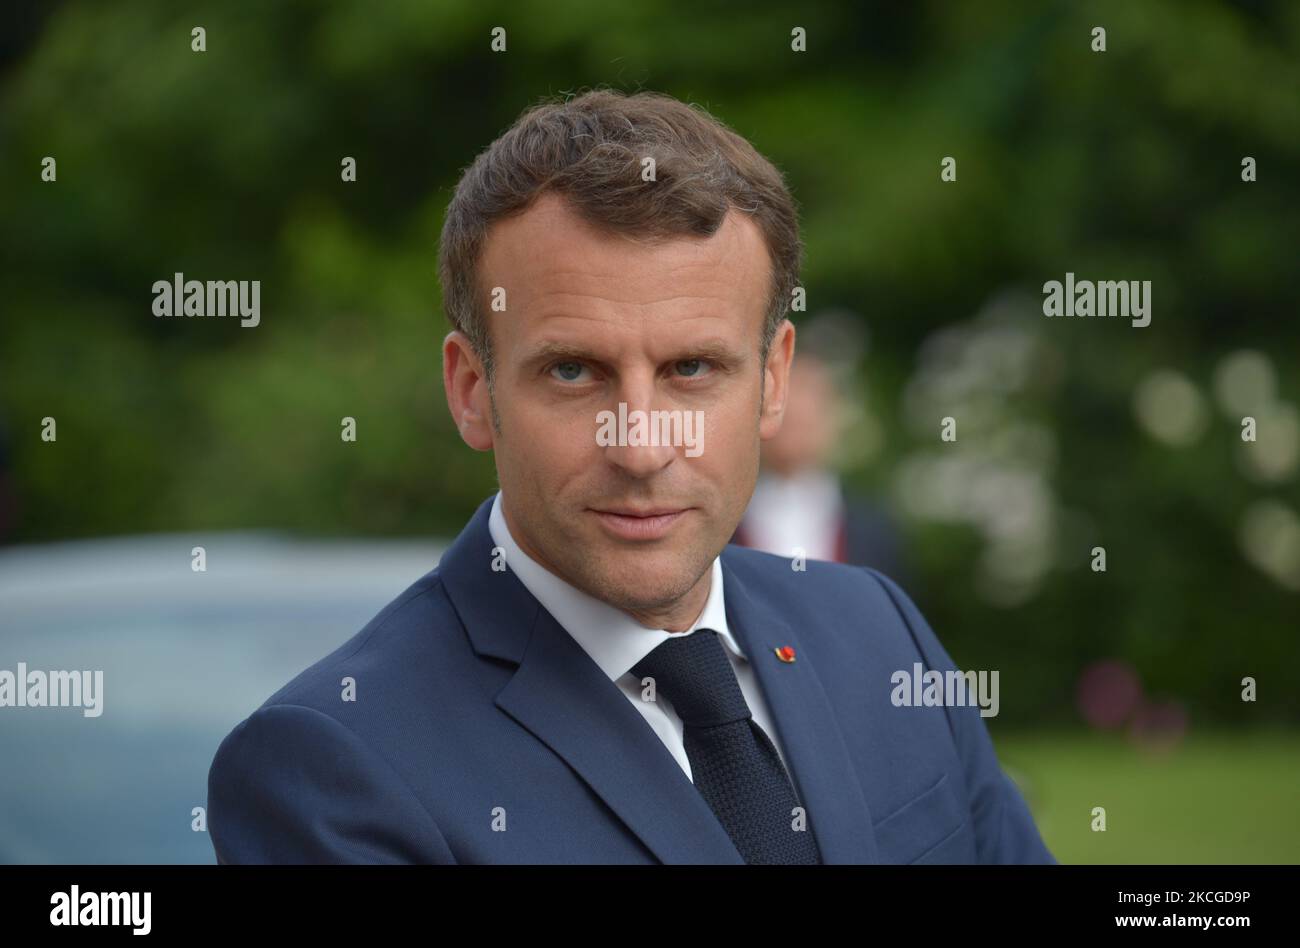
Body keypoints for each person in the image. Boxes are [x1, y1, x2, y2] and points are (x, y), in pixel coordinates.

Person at [207, 88, 1054, 864]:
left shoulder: (877, 632)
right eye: (574, 372)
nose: (642, 445)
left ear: (774, 379)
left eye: (692, 367)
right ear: (472, 392)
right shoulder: (333, 770)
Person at [732, 317, 910, 583]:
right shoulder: (726, 522)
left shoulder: (875, 528)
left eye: (807, 417)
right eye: (787, 417)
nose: (795, 417)